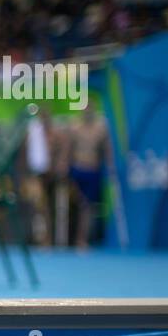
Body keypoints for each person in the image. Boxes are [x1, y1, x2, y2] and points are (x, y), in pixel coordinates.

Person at [67, 106, 113, 248]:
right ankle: (69, 239)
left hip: (92, 171)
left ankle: (82, 239)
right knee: (75, 206)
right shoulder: (75, 128)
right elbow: (68, 150)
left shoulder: (100, 130)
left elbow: (107, 150)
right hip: (76, 171)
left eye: (90, 110)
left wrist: (111, 167)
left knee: (88, 207)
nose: (88, 113)